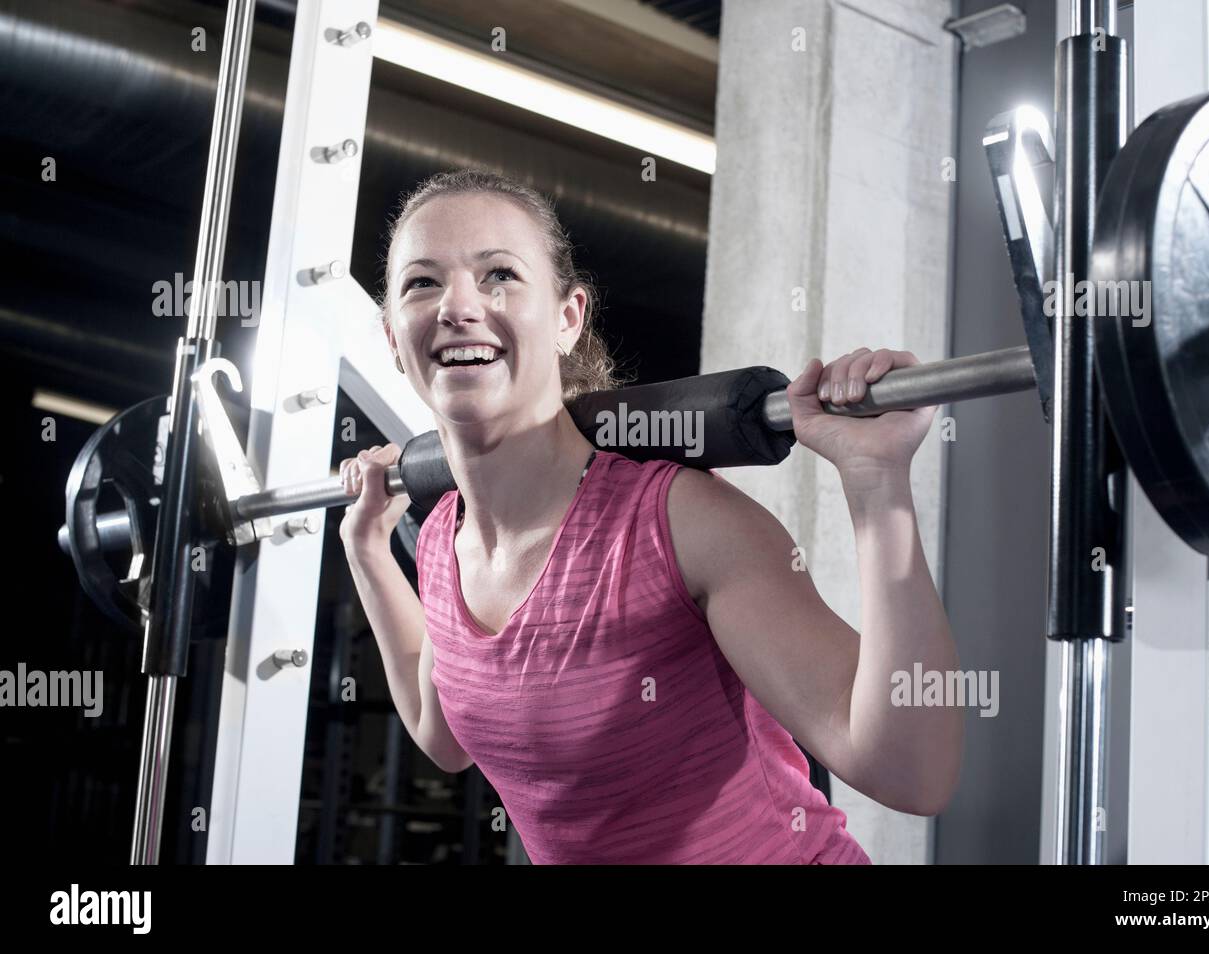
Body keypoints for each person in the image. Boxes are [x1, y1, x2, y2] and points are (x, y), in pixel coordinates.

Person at [339, 169, 961, 864]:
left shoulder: (682, 525)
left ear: (568, 318)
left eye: (499, 275)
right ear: (393, 336)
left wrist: (876, 484)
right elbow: (445, 733)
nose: (458, 305)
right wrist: (367, 548)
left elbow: (910, 772)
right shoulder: (438, 544)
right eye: (422, 283)